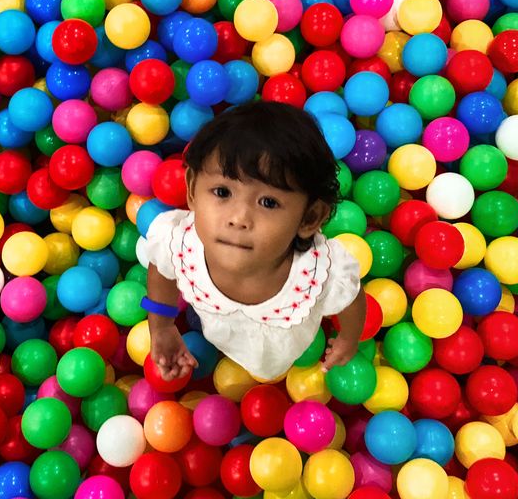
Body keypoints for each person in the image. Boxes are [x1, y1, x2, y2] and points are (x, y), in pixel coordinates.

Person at [142, 100, 366, 382]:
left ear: (310, 217)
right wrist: (161, 326)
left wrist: (349, 338)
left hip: (281, 344)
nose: (239, 218)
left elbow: (351, 300)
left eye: (268, 202)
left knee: (269, 369)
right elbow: (163, 269)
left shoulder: (320, 274)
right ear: (192, 190)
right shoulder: (179, 242)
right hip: (219, 328)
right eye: (222, 192)